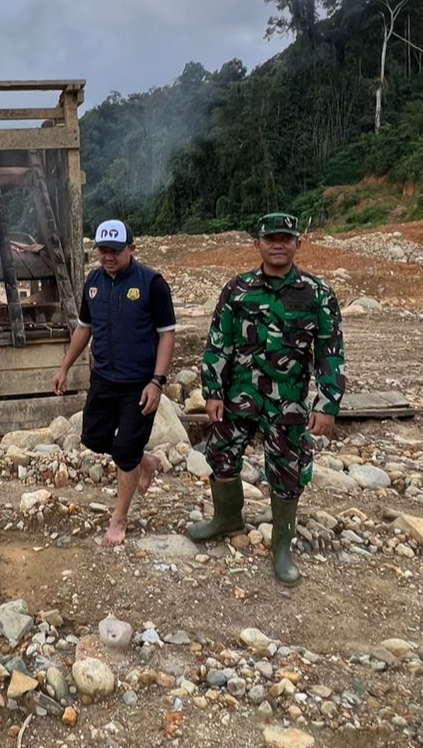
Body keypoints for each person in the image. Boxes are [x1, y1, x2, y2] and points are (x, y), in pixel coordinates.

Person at [188, 212, 345, 586]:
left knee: (286, 472)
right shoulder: (237, 289)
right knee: (222, 455)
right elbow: (219, 343)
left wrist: (327, 404)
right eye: (271, 238)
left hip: (286, 402)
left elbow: (330, 352)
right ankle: (226, 519)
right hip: (237, 397)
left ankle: (282, 546)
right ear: (257, 243)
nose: (278, 244)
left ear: (297, 244)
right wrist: (212, 391)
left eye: (286, 238)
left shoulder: (317, 294)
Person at [52, 219, 176, 547]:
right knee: (92, 437)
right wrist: (64, 367)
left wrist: (157, 381)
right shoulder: (93, 282)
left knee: (124, 451)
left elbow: (167, 335)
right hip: (104, 378)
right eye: (102, 250)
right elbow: (84, 328)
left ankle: (119, 519)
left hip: (139, 384)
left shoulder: (152, 283)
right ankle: (143, 460)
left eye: (115, 251)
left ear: (131, 249)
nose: (108, 256)